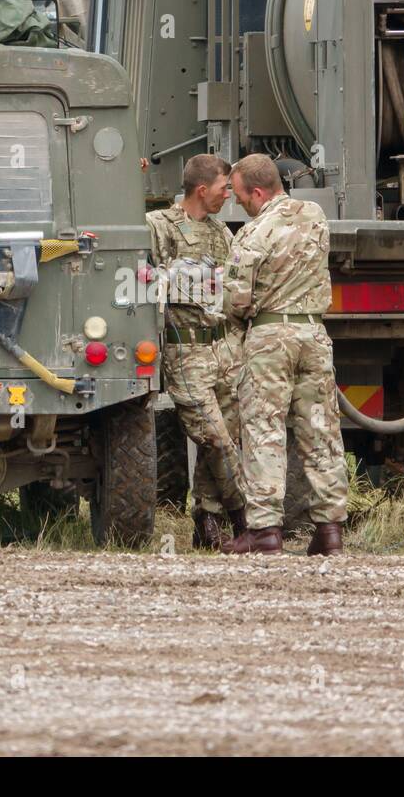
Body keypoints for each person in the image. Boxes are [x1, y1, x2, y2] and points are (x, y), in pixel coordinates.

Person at [219, 153, 348, 556]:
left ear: (257, 193)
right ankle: (329, 530)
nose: (238, 202)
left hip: (270, 339)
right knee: (321, 430)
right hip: (314, 335)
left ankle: (265, 531)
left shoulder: (251, 234)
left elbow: (236, 301)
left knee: (264, 431)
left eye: (240, 196)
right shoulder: (315, 216)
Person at [146, 154, 246, 550]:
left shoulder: (221, 232)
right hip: (185, 351)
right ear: (202, 190)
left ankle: (207, 521)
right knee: (214, 438)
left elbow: (234, 284)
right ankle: (247, 519)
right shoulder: (159, 226)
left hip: (223, 349)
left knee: (223, 440)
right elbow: (142, 275)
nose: (229, 195)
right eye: (224, 188)